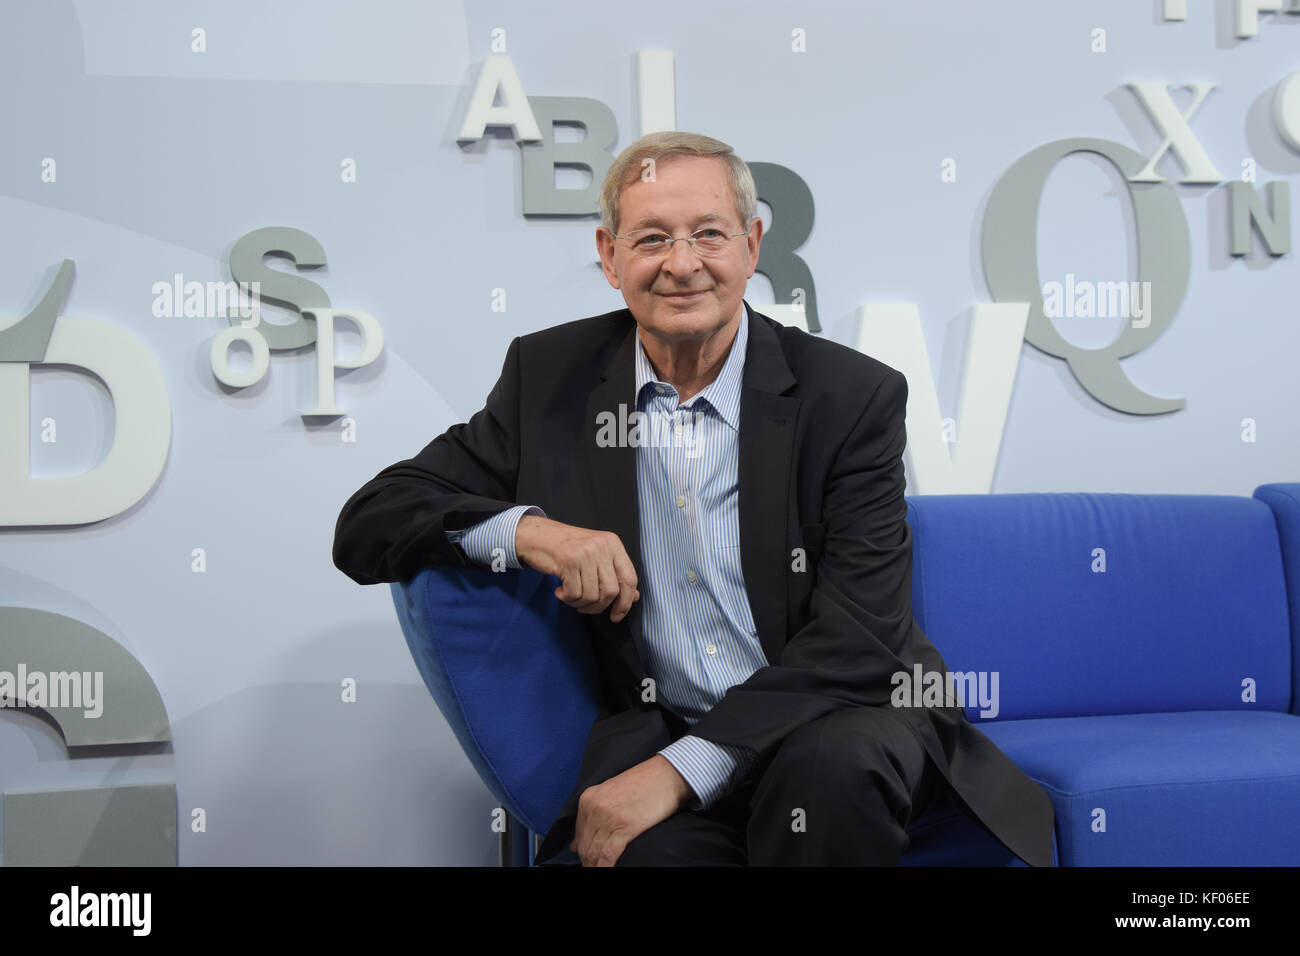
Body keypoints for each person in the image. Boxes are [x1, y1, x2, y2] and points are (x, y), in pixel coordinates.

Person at [332, 130, 1055, 867]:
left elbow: (860, 640)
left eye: (708, 234)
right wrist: (536, 534)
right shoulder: (550, 379)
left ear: (751, 244)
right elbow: (370, 520)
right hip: (663, 727)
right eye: (651, 239)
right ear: (610, 257)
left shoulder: (849, 396)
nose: (682, 265)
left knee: (830, 767)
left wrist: (682, 771)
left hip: (843, 717)